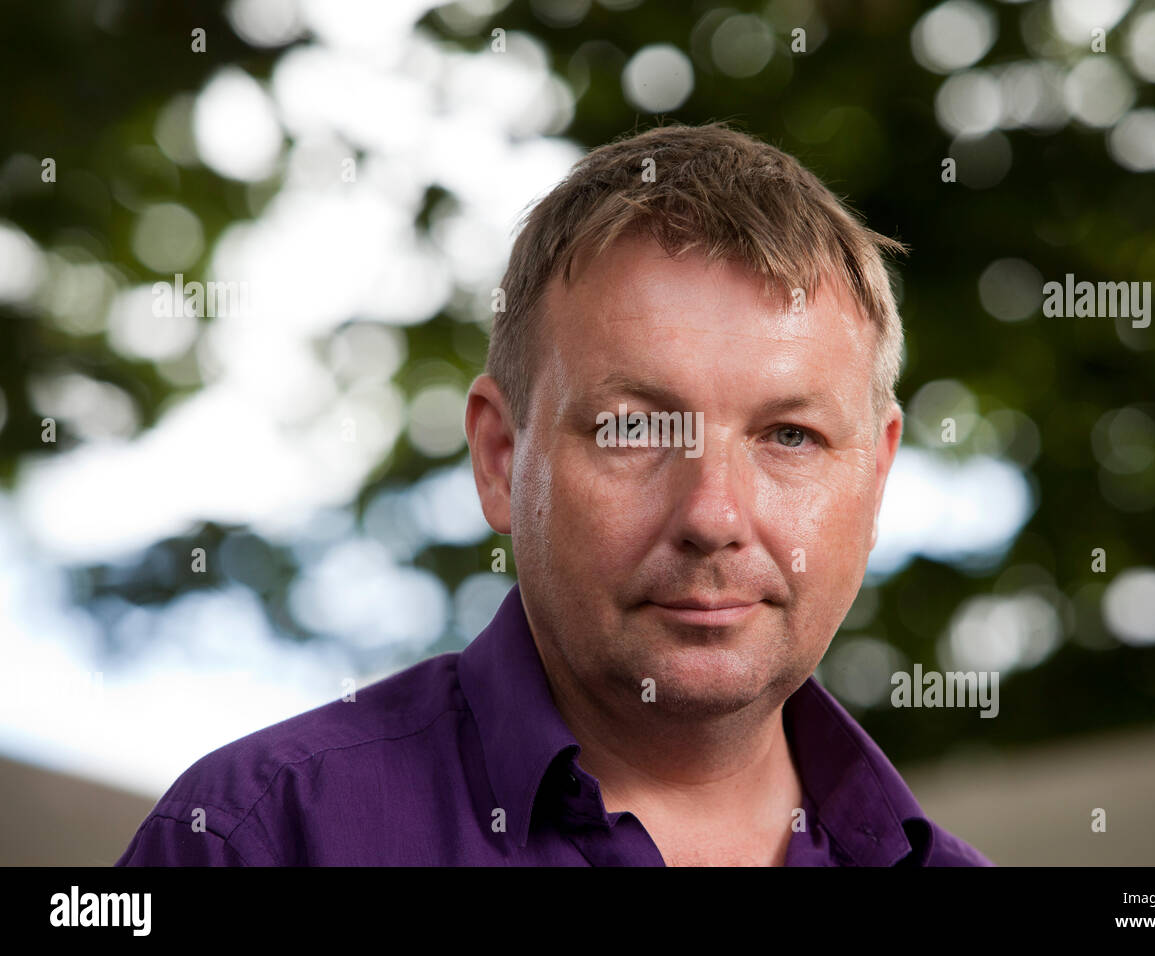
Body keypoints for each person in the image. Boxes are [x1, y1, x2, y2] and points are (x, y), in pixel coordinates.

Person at [117, 122, 992, 866]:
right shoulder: (260, 841)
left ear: (876, 478)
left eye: (789, 437)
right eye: (635, 428)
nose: (714, 516)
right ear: (501, 459)